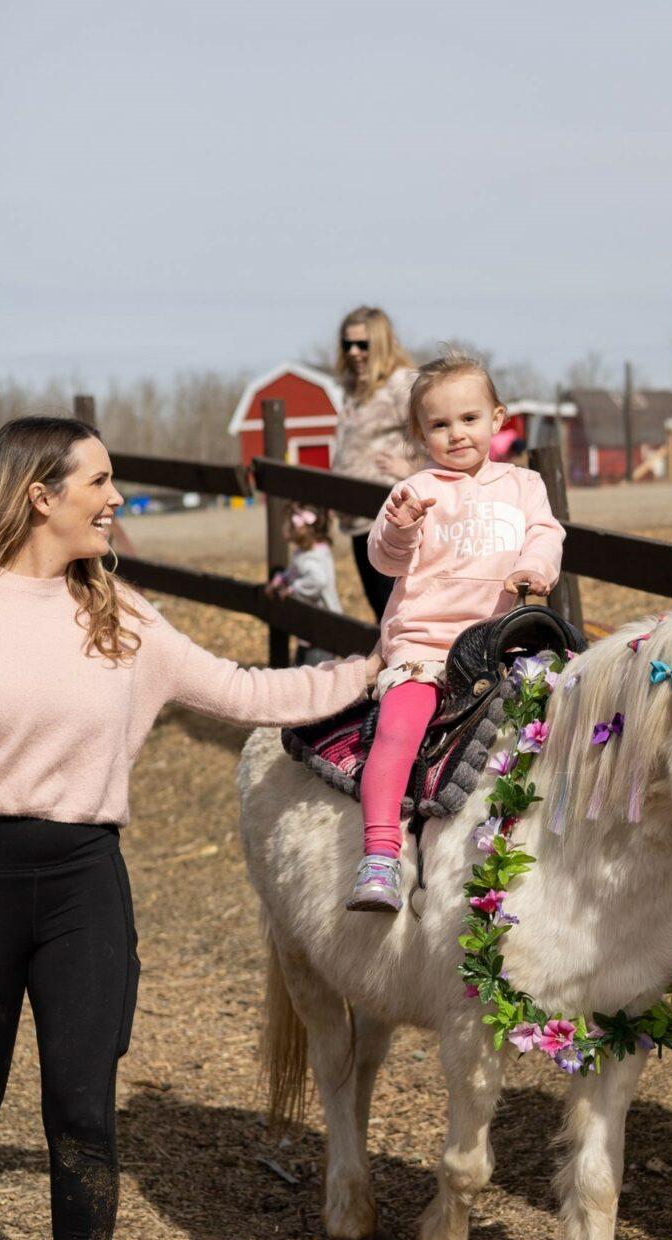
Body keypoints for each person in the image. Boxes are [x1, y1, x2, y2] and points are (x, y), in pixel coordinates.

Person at [0, 417, 381, 1240]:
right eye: (98, 480)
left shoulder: (121, 619)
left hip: (84, 874)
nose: (116, 497)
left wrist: (381, 671)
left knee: (83, 1107)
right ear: (37, 493)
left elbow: (249, 689)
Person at [346, 352, 565, 913]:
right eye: (439, 425)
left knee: (563, 722)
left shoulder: (525, 485)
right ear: (421, 434)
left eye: (468, 418)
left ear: (498, 419)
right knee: (399, 729)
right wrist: (400, 531)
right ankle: (380, 854)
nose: (456, 434)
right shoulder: (414, 490)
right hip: (427, 643)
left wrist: (535, 571)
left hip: (503, 640)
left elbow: (546, 534)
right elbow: (385, 561)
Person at [331, 306, 420, 620]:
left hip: (388, 516)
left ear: (381, 343)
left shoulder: (402, 384)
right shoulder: (355, 390)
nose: (354, 352)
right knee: (380, 609)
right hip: (358, 518)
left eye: (363, 344)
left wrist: (413, 470)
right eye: (347, 345)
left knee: (396, 610)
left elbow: (438, 432)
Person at [269, 502, 341, 665]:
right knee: (303, 666)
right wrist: (282, 579)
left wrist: (294, 588)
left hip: (322, 628)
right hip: (312, 626)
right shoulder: (307, 552)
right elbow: (294, 571)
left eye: (290, 525)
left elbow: (319, 580)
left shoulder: (311, 558)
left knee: (314, 673)